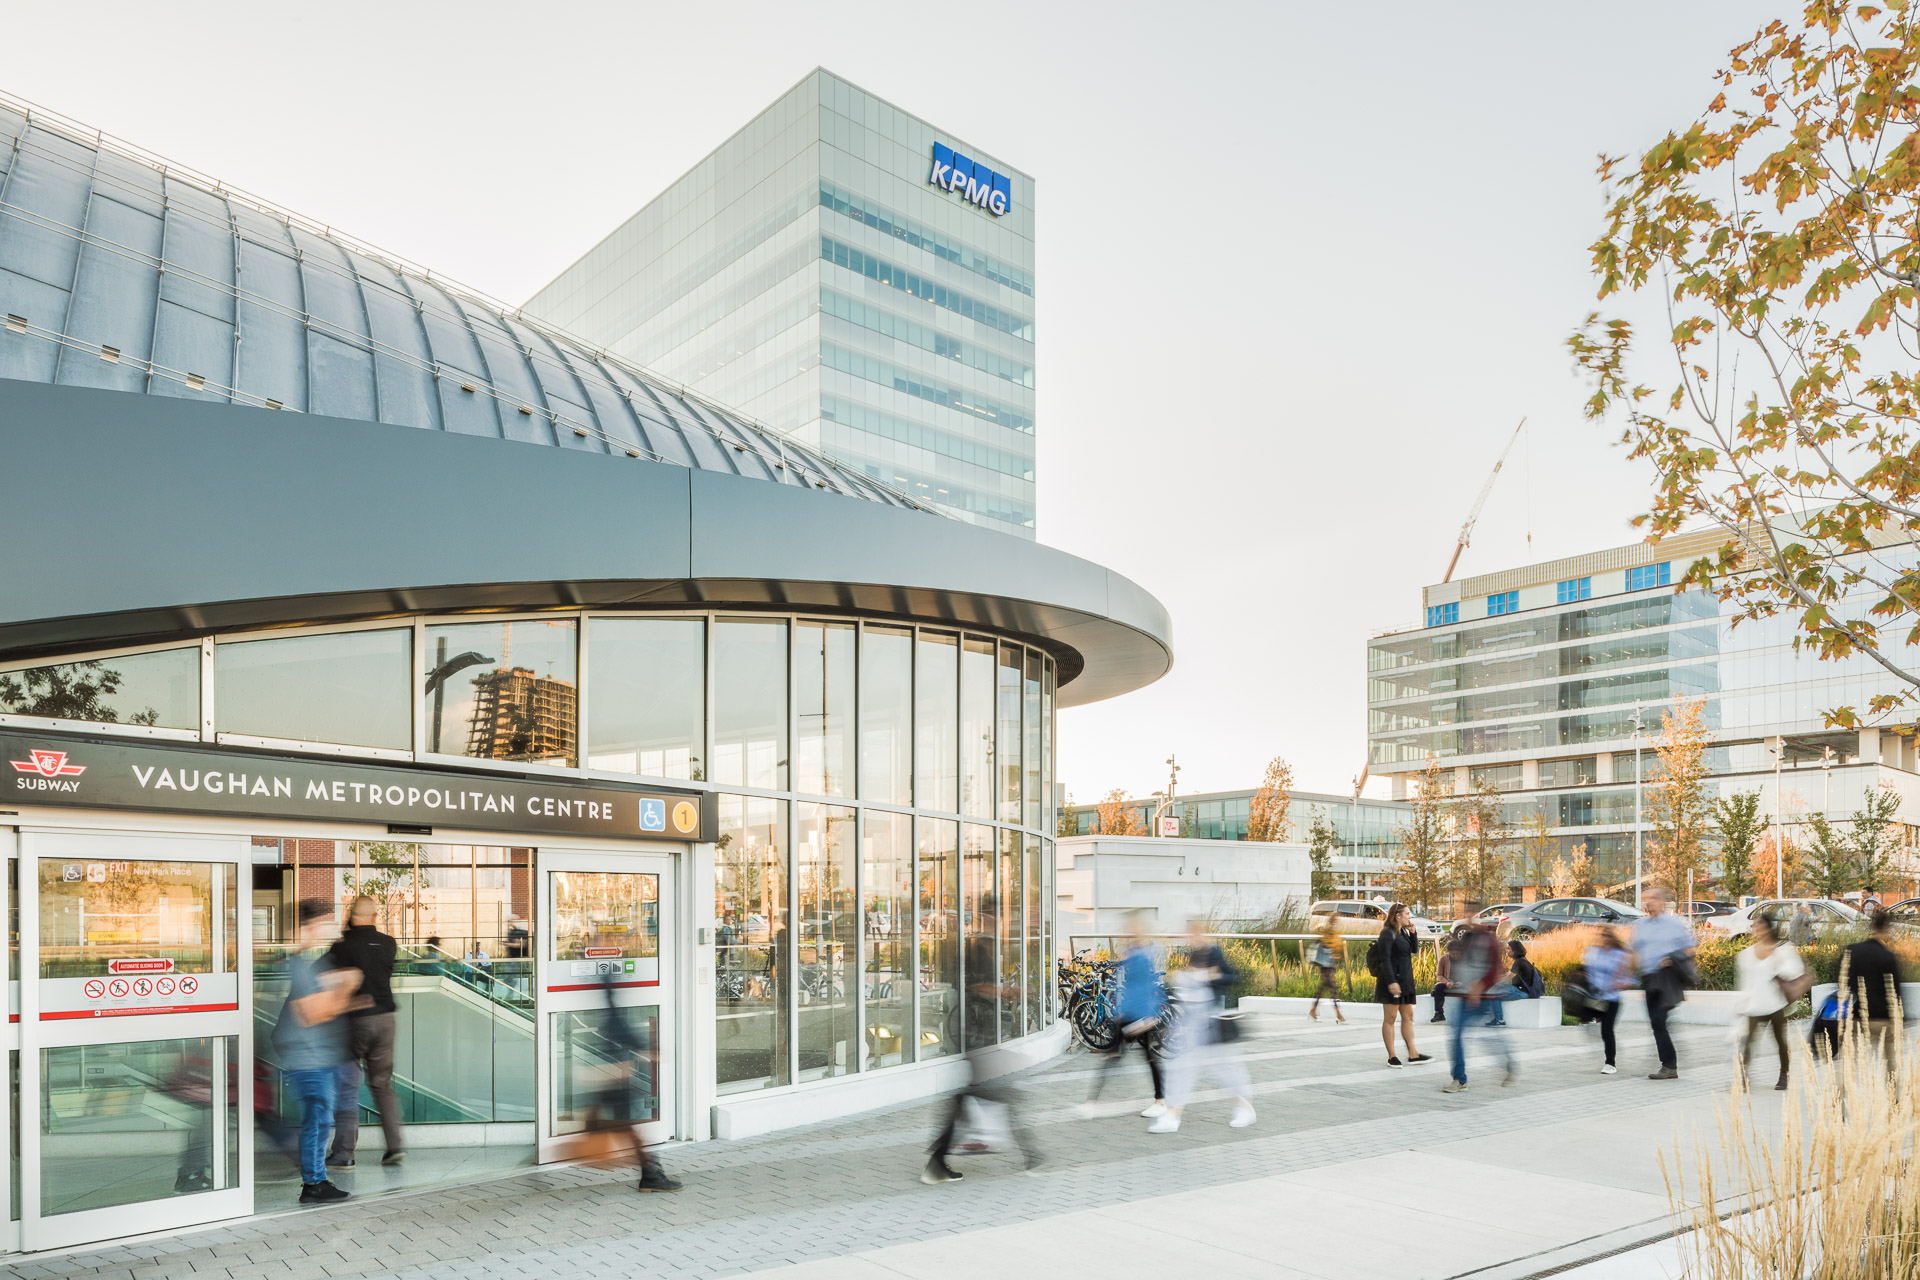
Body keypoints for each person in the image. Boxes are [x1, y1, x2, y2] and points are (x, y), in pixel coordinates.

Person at [925, 895, 1039, 1184]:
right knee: (999, 1092)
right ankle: (1032, 1154)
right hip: (978, 1033)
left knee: (979, 1094)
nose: (998, 920)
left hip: (982, 1033)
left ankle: (939, 1159)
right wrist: (1009, 992)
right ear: (987, 916)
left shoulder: (984, 946)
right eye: (995, 914)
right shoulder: (979, 947)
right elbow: (976, 985)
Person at [272, 899, 360, 1204]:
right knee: (318, 1118)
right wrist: (347, 987)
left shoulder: (305, 962)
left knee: (320, 1118)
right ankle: (314, 1183)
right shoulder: (296, 964)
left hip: (318, 1055)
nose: (330, 928)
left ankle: (316, 1178)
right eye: (324, 922)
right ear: (305, 927)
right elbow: (312, 1014)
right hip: (306, 1057)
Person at [1150, 919, 1255, 1133]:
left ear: (1201, 932)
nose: (1190, 937)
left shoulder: (1213, 952)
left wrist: (1212, 976)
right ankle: (1173, 1114)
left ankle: (1245, 1107)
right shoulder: (1195, 954)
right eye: (1189, 933)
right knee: (1183, 1068)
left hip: (1212, 1021)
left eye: (1193, 932)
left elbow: (1232, 976)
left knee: (1225, 1068)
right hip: (1193, 1023)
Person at [327, 895, 405, 1169]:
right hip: (386, 1019)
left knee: (348, 1085)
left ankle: (344, 1153)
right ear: (374, 916)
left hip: (355, 1021)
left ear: (350, 915)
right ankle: (395, 1146)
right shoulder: (388, 943)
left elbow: (323, 973)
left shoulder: (342, 947)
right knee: (382, 1085)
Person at [1080, 913, 1167, 1116]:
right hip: (1129, 1014)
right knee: (1116, 1055)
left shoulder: (1143, 955)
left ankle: (1160, 1102)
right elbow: (1132, 987)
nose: (1124, 932)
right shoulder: (1135, 951)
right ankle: (1091, 1103)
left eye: (1129, 927)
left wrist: (1147, 1017)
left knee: (1146, 1058)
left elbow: (1147, 986)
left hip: (1140, 1016)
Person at [1442, 919, 1514, 1093]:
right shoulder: (1467, 937)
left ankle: (1505, 1064)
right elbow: (1463, 963)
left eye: (1469, 915)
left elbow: (1494, 970)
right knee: (1459, 1035)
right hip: (1466, 995)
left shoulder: (1488, 940)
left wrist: (1480, 986)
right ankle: (1460, 1079)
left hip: (1482, 995)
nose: (1466, 919)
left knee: (1480, 1037)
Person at [1632, 886, 1697, 1080]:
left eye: (1653, 898)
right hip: (1649, 978)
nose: (1648, 902)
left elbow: (1690, 950)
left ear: (1662, 902)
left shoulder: (1674, 924)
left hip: (1667, 978)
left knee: (1659, 1021)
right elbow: (1634, 952)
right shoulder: (1640, 926)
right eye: (1646, 898)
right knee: (1656, 1023)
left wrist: (1671, 958)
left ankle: (1669, 1065)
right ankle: (1669, 1062)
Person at [1736, 914, 1803, 1091]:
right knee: (1749, 1041)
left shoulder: (1782, 950)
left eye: (1758, 925)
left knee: (1780, 1041)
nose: (1755, 929)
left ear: (1767, 928)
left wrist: (1777, 960)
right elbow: (1746, 981)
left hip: (1776, 1004)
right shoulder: (1746, 954)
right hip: (1755, 1005)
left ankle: (1784, 1075)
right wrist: (1743, 1003)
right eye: (1754, 926)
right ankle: (1743, 1076)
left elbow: (1795, 971)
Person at [1843, 908, 1905, 1073]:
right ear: (1886, 930)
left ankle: (1839, 1095)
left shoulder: (1852, 950)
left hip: (1856, 1015)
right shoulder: (1888, 956)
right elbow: (1895, 992)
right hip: (1882, 1018)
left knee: (1849, 1062)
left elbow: (1842, 983)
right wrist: (1897, 1023)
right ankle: (1893, 1098)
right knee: (1890, 1063)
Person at [1374, 903, 1431, 1066]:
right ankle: (1392, 1056)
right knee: (1390, 1018)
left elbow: (1413, 950)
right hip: (1390, 981)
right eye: (1407, 914)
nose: (1409, 917)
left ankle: (1413, 1054)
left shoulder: (1403, 932)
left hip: (1405, 980)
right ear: (1397, 915)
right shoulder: (1387, 933)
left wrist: (1413, 933)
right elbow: (1385, 959)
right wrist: (1392, 981)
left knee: (1408, 1017)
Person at [1581, 927, 1633, 1074]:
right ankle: (1598, 1033)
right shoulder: (1593, 951)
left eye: (1606, 936)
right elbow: (1585, 969)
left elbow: (1630, 980)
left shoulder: (1620, 955)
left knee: (1607, 1031)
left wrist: (1620, 984)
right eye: (1601, 936)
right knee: (1586, 1022)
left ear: (1612, 938)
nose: (1603, 939)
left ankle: (1610, 1063)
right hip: (1594, 997)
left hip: (1611, 998)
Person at [1309, 922, 1345, 1022]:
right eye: (1334, 922)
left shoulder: (1335, 935)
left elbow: (1335, 951)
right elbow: (1323, 952)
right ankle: (1338, 1014)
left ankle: (1313, 1010)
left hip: (1329, 965)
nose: (1335, 925)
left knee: (1322, 988)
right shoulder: (1325, 935)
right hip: (1323, 965)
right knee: (1332, 988)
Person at [1430, 938, 1457, 1024]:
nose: (1455, 955)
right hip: (1449, 983)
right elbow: (1439, 975)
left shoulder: (1465, 959)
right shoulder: (1444, 959)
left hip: (1464, 983)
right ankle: (1439, 1013)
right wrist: (1446, 982)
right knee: (1438, 987)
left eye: (1457, 953)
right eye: (1452, 954)